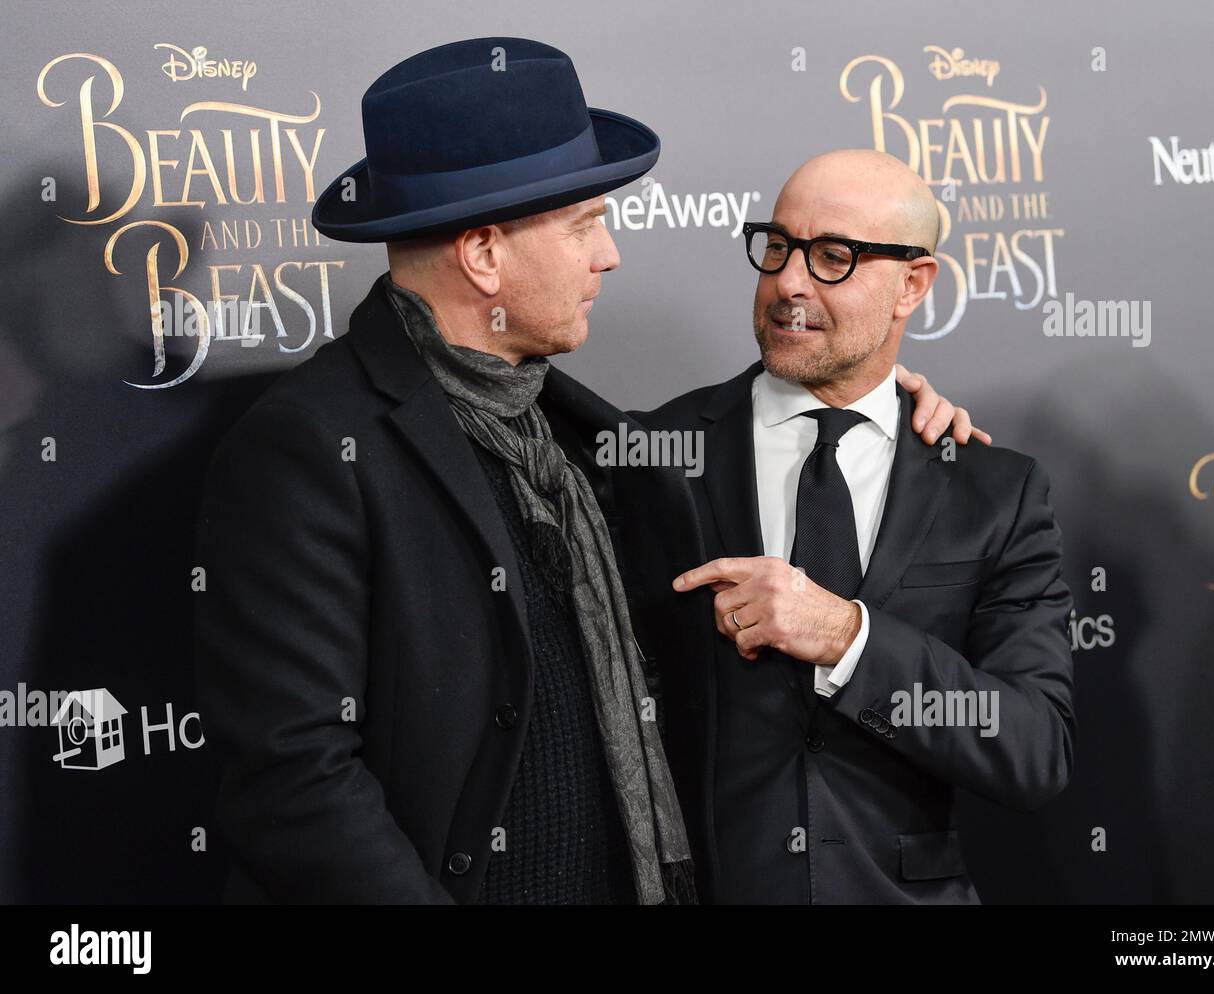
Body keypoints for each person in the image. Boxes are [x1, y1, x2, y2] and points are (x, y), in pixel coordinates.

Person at [193, 39, 979, 905]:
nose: (608, 255)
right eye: (584, 225)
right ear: (485, 254)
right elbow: (293, 783)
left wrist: (873, 409)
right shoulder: (311, 447)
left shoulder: (577, 435)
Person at [639, 149, 1076, 904]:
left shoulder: (993, 491)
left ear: (914, 284)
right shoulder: (649, 457)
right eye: (777, 247)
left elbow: (1033, 748)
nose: (789, 282)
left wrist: (850, 637)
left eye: (834, 257)